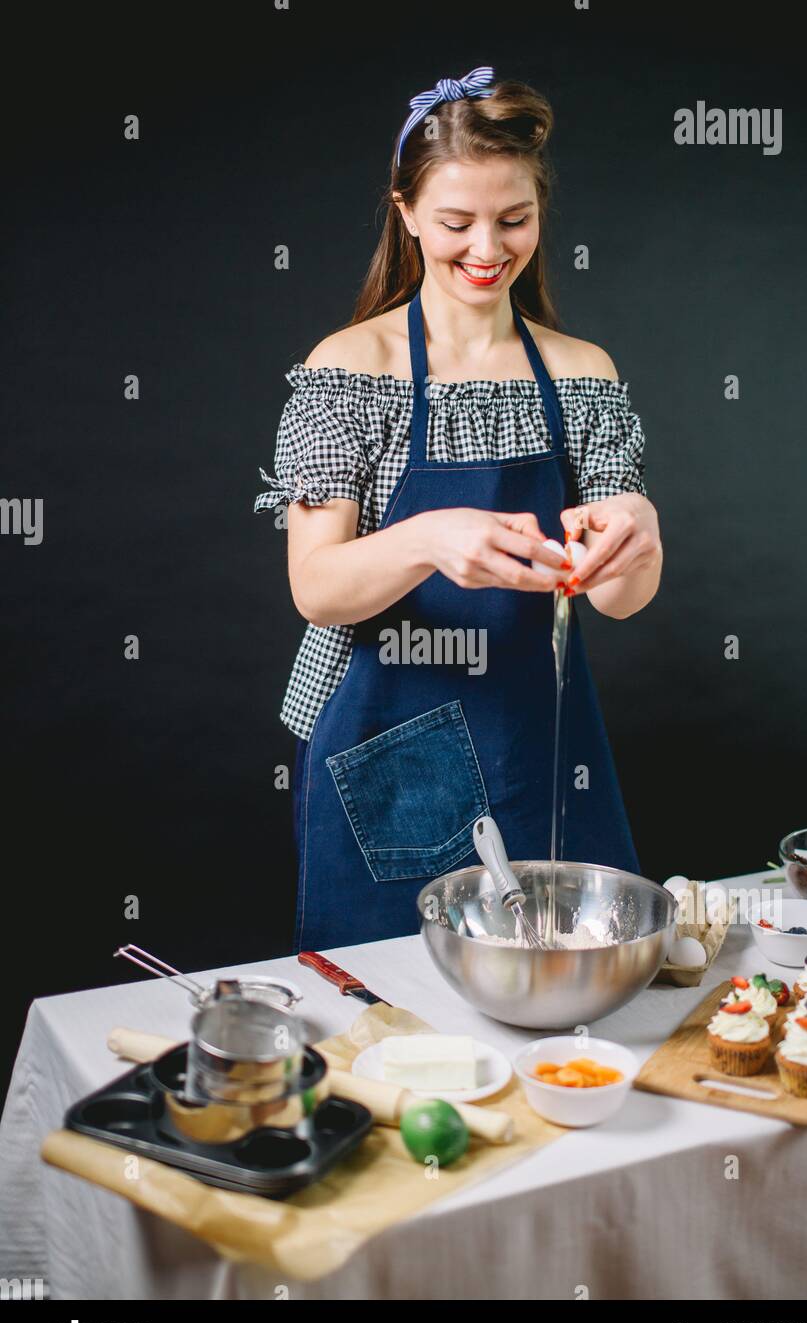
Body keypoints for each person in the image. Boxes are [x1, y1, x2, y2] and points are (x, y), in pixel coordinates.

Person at [256, 67, 663, 951]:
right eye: (456, 222)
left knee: (567, 988)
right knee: (391, 1017)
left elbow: (617, 598)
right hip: (388, 744)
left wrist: (640, 534)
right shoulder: (350, 370)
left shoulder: (581, 371)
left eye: (514, 220)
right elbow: (317, 589)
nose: (488, 246)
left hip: (540, 738)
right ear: (404, 211)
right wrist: (430, 537)